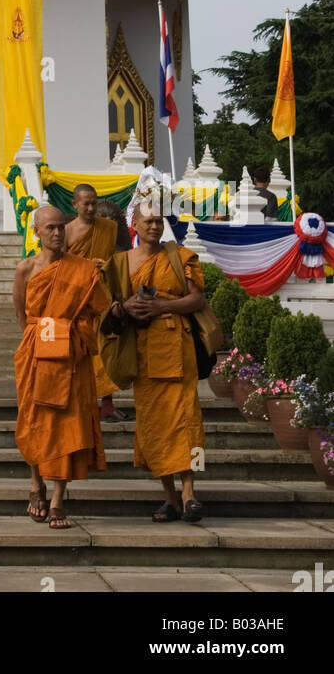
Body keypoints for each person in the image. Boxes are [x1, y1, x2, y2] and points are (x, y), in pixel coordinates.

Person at [101, 190, 207, 523]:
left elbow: (197, 301)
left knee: (189, 422)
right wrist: (124, 307)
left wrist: (162, 306)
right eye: (148, 221)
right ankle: (170, 498)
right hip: (144, 354)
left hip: (179, 348)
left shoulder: (180, 256)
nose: (154, 227)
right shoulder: (119, 264)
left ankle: (190, 494)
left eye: (159, 221)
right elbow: (108, 307)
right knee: (154, 427)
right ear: (134, 224)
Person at [13, 205, 110, 529]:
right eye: (50, 228)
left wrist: (72, 330)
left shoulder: (82, 269)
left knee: (67, 424)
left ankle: (57, 500)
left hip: (71, 354)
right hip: (36, 354)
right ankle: (34, 483)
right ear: (37, 232)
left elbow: (102, 309)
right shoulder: (25, 269)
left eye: (60, 227)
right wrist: (42, 338)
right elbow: (23, 318)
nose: (56, 233)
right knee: (35, 421)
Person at [65, 184, 124, 422]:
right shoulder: (67, 231)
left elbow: (119, 258)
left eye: (94, 203)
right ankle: (82, 402)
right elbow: (60, 266)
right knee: (80, 350)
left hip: (103, 294)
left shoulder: (109, 228)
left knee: (105, 350)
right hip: (77, 298)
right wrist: (86, 266)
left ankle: (107, 403)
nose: (90, 208)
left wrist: (105, 267)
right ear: (75, 204)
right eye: (85, 203)